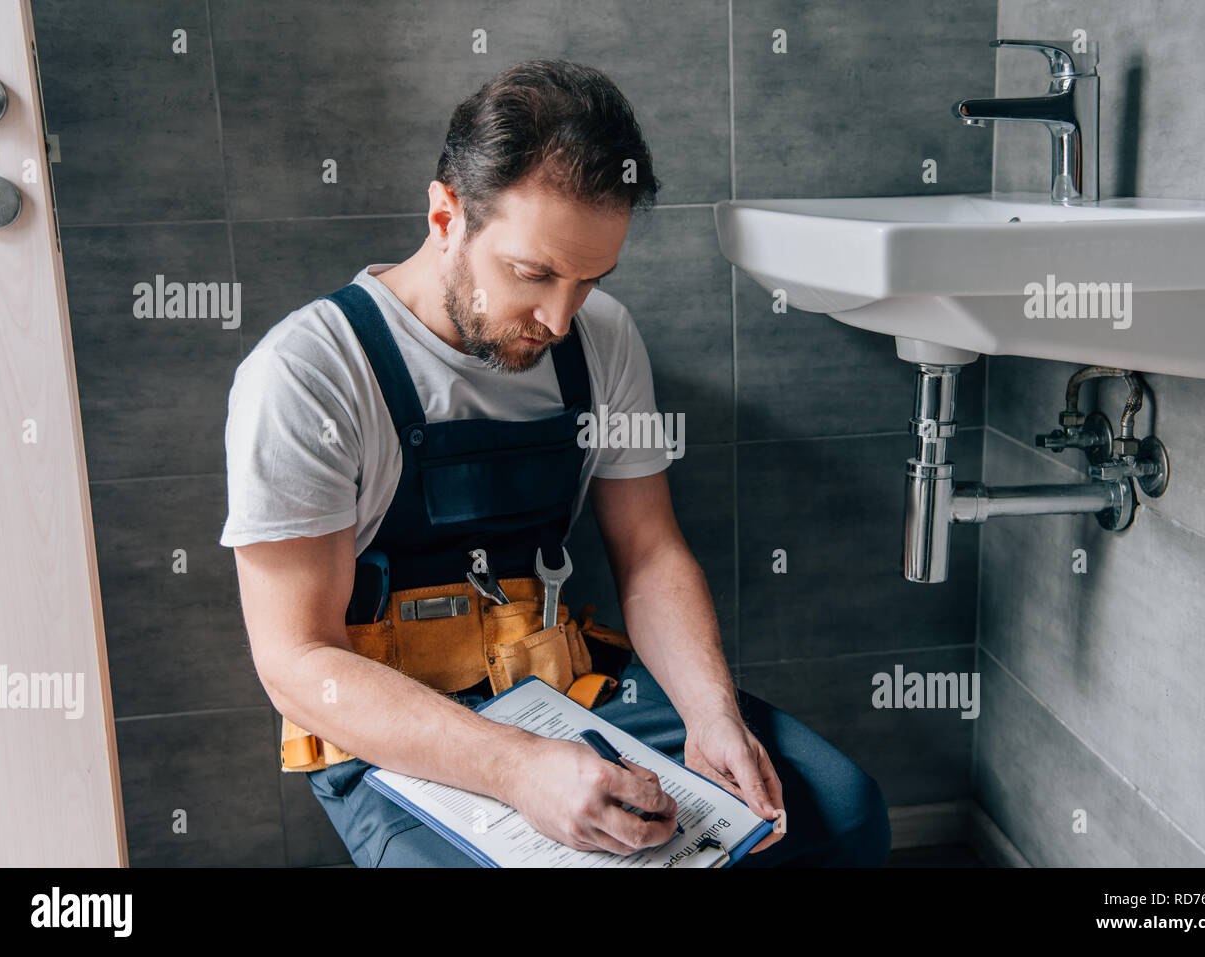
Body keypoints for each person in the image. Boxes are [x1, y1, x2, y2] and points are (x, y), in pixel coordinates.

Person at [220, 58, 890, 867]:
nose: (560, 319)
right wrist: (514, 768)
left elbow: (649, 551)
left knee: (840, 813)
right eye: (533, 274)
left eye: (589, 280)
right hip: (395, 733)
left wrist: (712, 712)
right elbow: (297, 662)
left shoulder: (602, 336)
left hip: (567, 685)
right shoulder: (308, 374)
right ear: (446, 216)